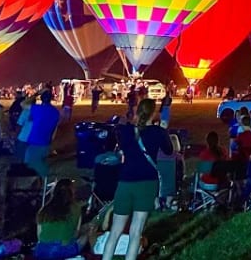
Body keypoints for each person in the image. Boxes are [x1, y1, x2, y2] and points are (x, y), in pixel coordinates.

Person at [100, 98, 172, 260]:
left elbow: (121, 147)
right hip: (147, 183)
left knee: (115, 232)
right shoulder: (158, 132)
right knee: (136, 232)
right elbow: (169, 150)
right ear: (153, 113)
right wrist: (164, 130)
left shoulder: (125, 131)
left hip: (125, 182)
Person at [34, 179, 90, 259]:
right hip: (62, 251)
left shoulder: (43, 210)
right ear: (72, 192)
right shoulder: (76, 208)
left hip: (41, 251)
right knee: (87, 235)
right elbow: (75, 234)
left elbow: (39, 236)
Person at [25, 91, 61, 178]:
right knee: (36, 163)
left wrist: (36, 94)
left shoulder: (37, 108)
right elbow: (55, 128)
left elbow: (23, 104)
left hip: (35, 141)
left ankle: (49, 179)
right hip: (46, 141)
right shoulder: (56, 112)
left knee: (31, 163)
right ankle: (42, 180)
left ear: (41, 99)